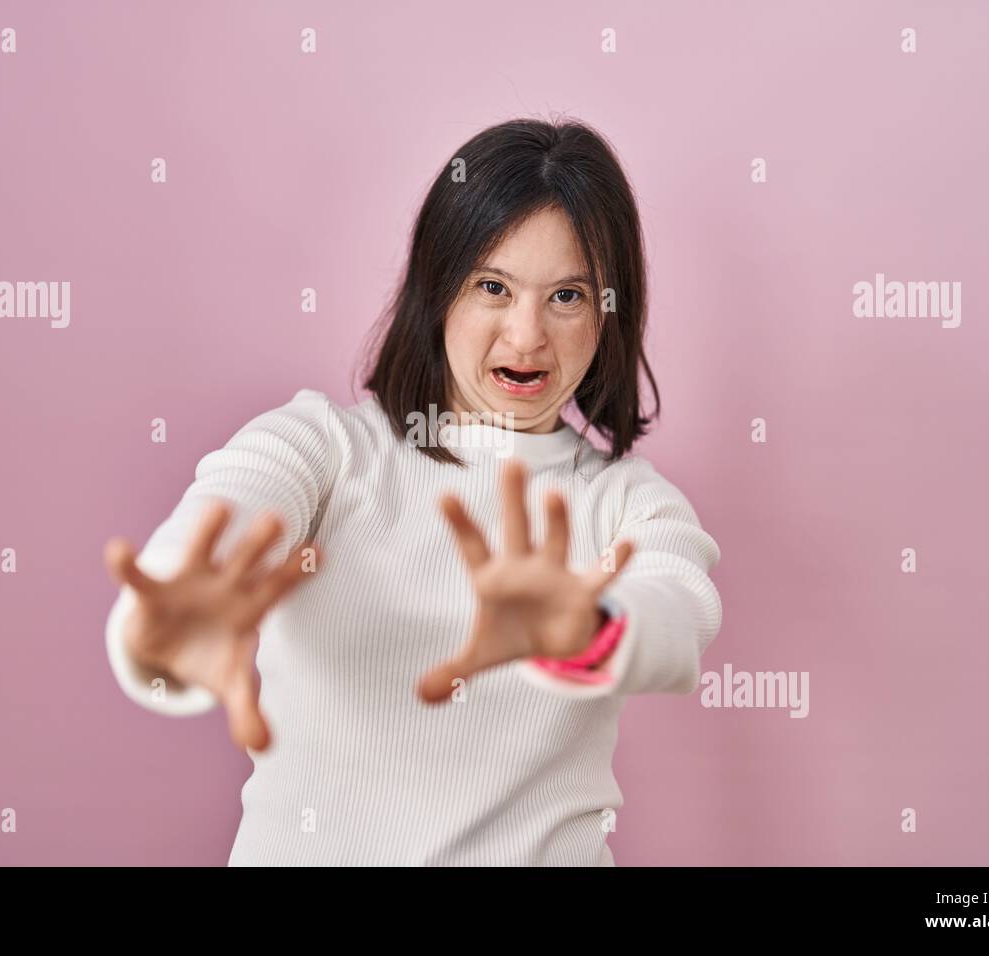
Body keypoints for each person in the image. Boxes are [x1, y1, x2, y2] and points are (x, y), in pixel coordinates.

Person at [102, 117, 723, 866]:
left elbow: (679, 610)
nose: (527, 336)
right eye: (493, 286)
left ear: (609, 315)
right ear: (438, 289)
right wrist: (166, 613)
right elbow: (228, 510)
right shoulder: (324, 448)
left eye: (567, 296)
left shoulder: (627, 501)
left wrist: (587, 627)